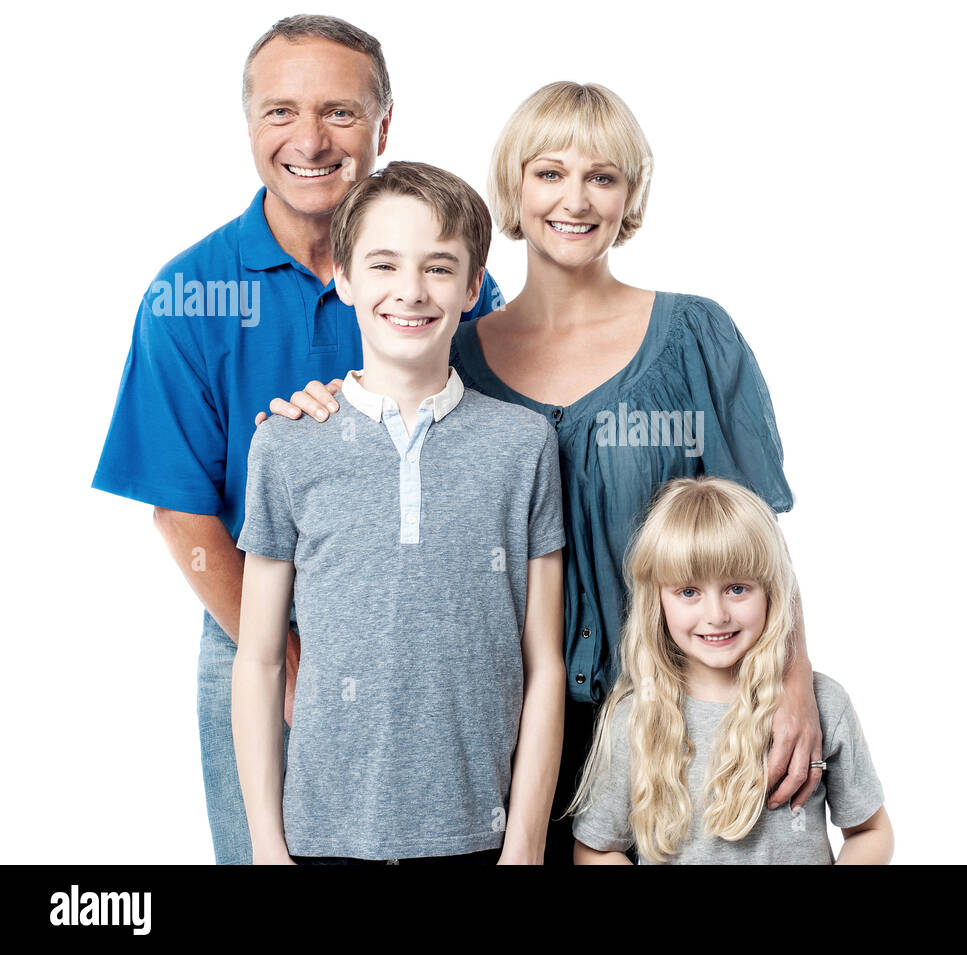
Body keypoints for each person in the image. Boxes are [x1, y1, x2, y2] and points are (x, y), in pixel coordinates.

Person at [260, 81, 824, 866]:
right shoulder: (450, 346)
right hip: (496, 734)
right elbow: (380, 411)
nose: (576, 198)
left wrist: (794, 683)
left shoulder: (697, 337)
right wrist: (313, 406)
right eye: (550, 173)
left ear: (630, 195)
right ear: (515, 188)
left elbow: (759, 541)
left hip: (665, 714)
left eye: (603, 176)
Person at [90, 14, 503, 864]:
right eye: (280, 112)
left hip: (425, 627)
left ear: (385, 125)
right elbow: (182, 515)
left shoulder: (452, 282)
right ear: (248, 125)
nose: (309, 139)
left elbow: (487, 444)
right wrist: (282, 656)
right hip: (253, 625)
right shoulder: (187, 295)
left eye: (340, 113)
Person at [232, 161, 565, 865]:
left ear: (473, 287)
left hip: (479, 838)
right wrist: (266, 846)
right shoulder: (286, 445)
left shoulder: (523, 445)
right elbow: (260, 659)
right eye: (384, 265)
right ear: (344, 278)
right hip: (322, 840)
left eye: (440, 268)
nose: (411, 291)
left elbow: (544, 665)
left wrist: (526, 844)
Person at [568, 477, 892, 864]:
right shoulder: (634, 717)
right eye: (689, 592)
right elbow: (596, 849)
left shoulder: (824, 704)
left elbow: (871, 831)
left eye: (737, 588)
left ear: (772, 589)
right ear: (658, 601)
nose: (716, 616)